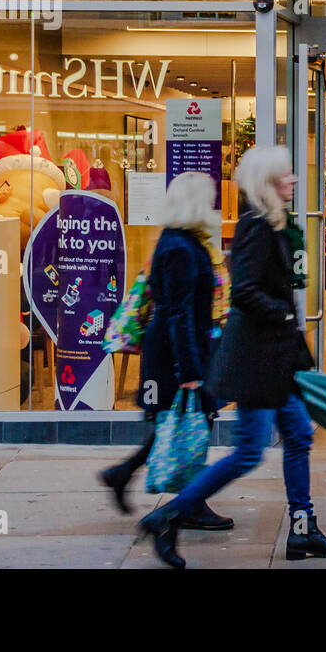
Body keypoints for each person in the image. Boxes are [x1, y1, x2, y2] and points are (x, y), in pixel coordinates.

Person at [139, 145, 326, 567]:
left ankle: (303, 530)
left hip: (276, 358)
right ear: (268, 183)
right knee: (250, 451)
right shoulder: (256, 225)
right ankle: (169, 514)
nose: (293, 180)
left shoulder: (272, 223)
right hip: (257, 361)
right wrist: (285, 316)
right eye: (286, 176)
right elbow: (247, 290)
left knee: (298, 438)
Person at [98, 171, 232, 533]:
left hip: (181, 347)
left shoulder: (185, 242)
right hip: (175, 352)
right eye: (208, 198)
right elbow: (177, 313)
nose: (213, 205)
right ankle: (189, 504)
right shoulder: (179, 248)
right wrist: (189, 369)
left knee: (176, 424)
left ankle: (123, 474)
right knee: (188, 422)